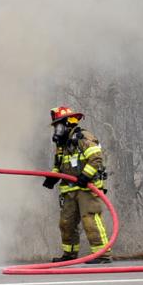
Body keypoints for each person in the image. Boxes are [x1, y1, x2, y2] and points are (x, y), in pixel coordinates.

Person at [42, 106, 111, 263]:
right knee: (66, 223)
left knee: (91, 220)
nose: (56, 129)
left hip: (87, 188)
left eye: (58, 125)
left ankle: (103, 255)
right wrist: (52, 177)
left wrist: (85, 176)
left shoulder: (83, 138)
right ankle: (69, 255)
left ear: (68, 123)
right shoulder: (62, 145)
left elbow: (96, 159)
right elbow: (59, 165)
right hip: (69, 190)